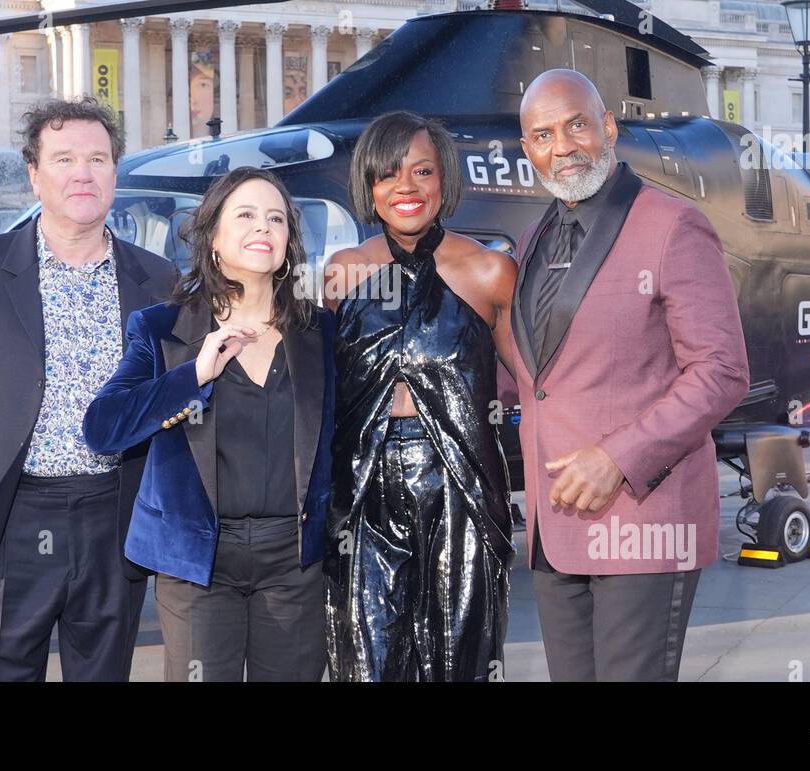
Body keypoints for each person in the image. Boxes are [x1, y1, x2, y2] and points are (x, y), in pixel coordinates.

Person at [0, 97, 177, 682]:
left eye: (98, 158)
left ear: (114, 172)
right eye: (65, 158)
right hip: (8, 518)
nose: (84, 172)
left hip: (115, 520)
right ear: (34, 174)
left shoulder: (158, 280)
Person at [510, 69, 749, 682]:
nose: (562, 146)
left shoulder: (673, 225)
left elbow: (721, 370)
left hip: (642, 517)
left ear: (608, 128)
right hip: (554, 532)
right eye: (542, 135)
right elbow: (543, 376)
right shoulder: (537, 236)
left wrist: (618, 457)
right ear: (528, 151)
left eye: (575, 126)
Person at [85, 166, 336, 682]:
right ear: (214, 238)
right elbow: (104, 428)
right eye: (244, 215)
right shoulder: (163, 329)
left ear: (289, 242)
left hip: (294, 562)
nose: (262, 227)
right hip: (199, 562)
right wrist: (195, 371)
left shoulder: (322, 332)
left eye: (275, 219)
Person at [322, 111, 518, 682]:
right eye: (388, 174)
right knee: (366, 664)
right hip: (361, 494)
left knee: (460, 662)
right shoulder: (344, 274)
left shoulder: (488, 272)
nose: (405, 187)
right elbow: (312, 390)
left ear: (444, 181)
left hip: (462, 491)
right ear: (369, 187)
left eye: (422, 171)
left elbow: (543, 381)